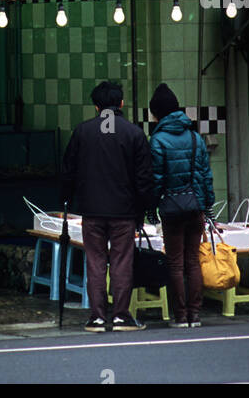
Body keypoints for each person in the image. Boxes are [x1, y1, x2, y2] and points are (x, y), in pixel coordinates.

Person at [61, 81, 154, 334]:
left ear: (96, 106)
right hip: (124, 211)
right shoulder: (134, 133)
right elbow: (145, 177)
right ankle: (122, 316)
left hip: (91, 210)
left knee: (95, 262)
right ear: (121, 103)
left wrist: (67, 199)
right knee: (122, 262)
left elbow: (68, 171)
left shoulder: (82, 132)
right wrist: (146, 208)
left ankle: (98, 317)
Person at [149, 83, 215, 328]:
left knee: (175, 262)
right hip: (195, 206)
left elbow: (156, 179)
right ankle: (195, 315)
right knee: (193, 260)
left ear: (158, 113)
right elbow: (206, 175)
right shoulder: (195, 137)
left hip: (172, 209)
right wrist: (207, 205)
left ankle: (180, 316)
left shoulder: (157, 140)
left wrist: (151, 208)